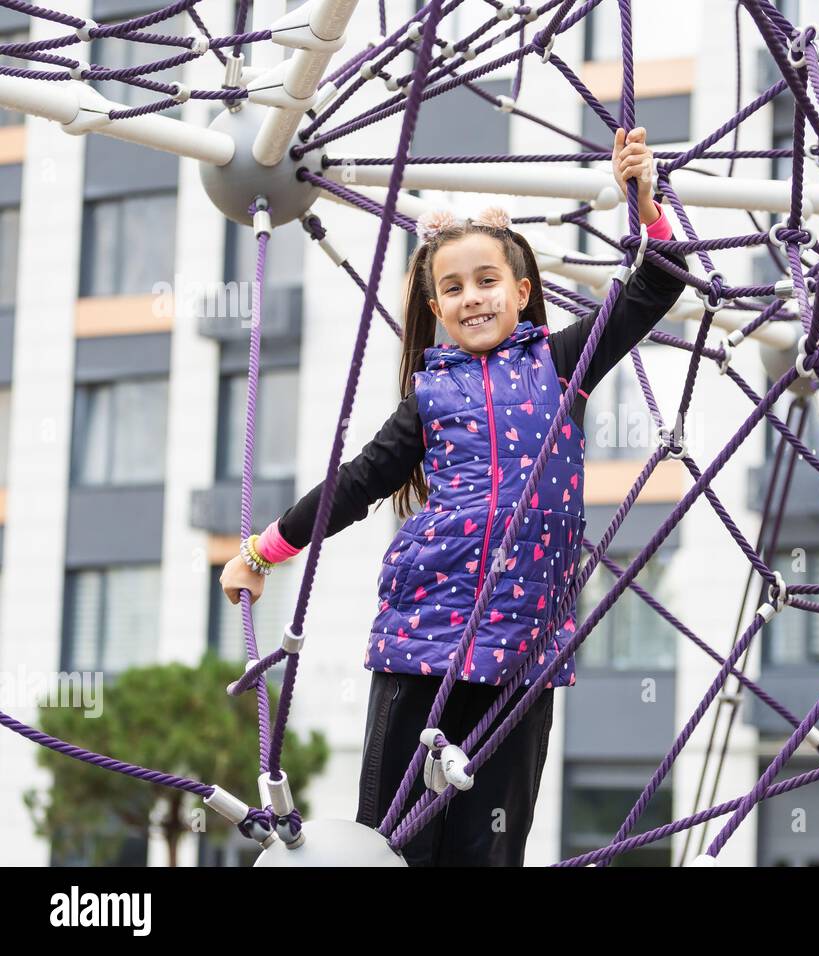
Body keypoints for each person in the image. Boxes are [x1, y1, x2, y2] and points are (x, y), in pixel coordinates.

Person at [218, 127, 688, 865]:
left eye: (487, 281)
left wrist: (644, 203)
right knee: (396, 841)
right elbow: (361, 482)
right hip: (425, 641)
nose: (472, 298)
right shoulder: (430, 397)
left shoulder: (564, 364)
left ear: (522, 291)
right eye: (452, 287)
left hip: (523, 656)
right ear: (435, 307)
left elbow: (660, 283)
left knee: (490, 848)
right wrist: (263, 549)